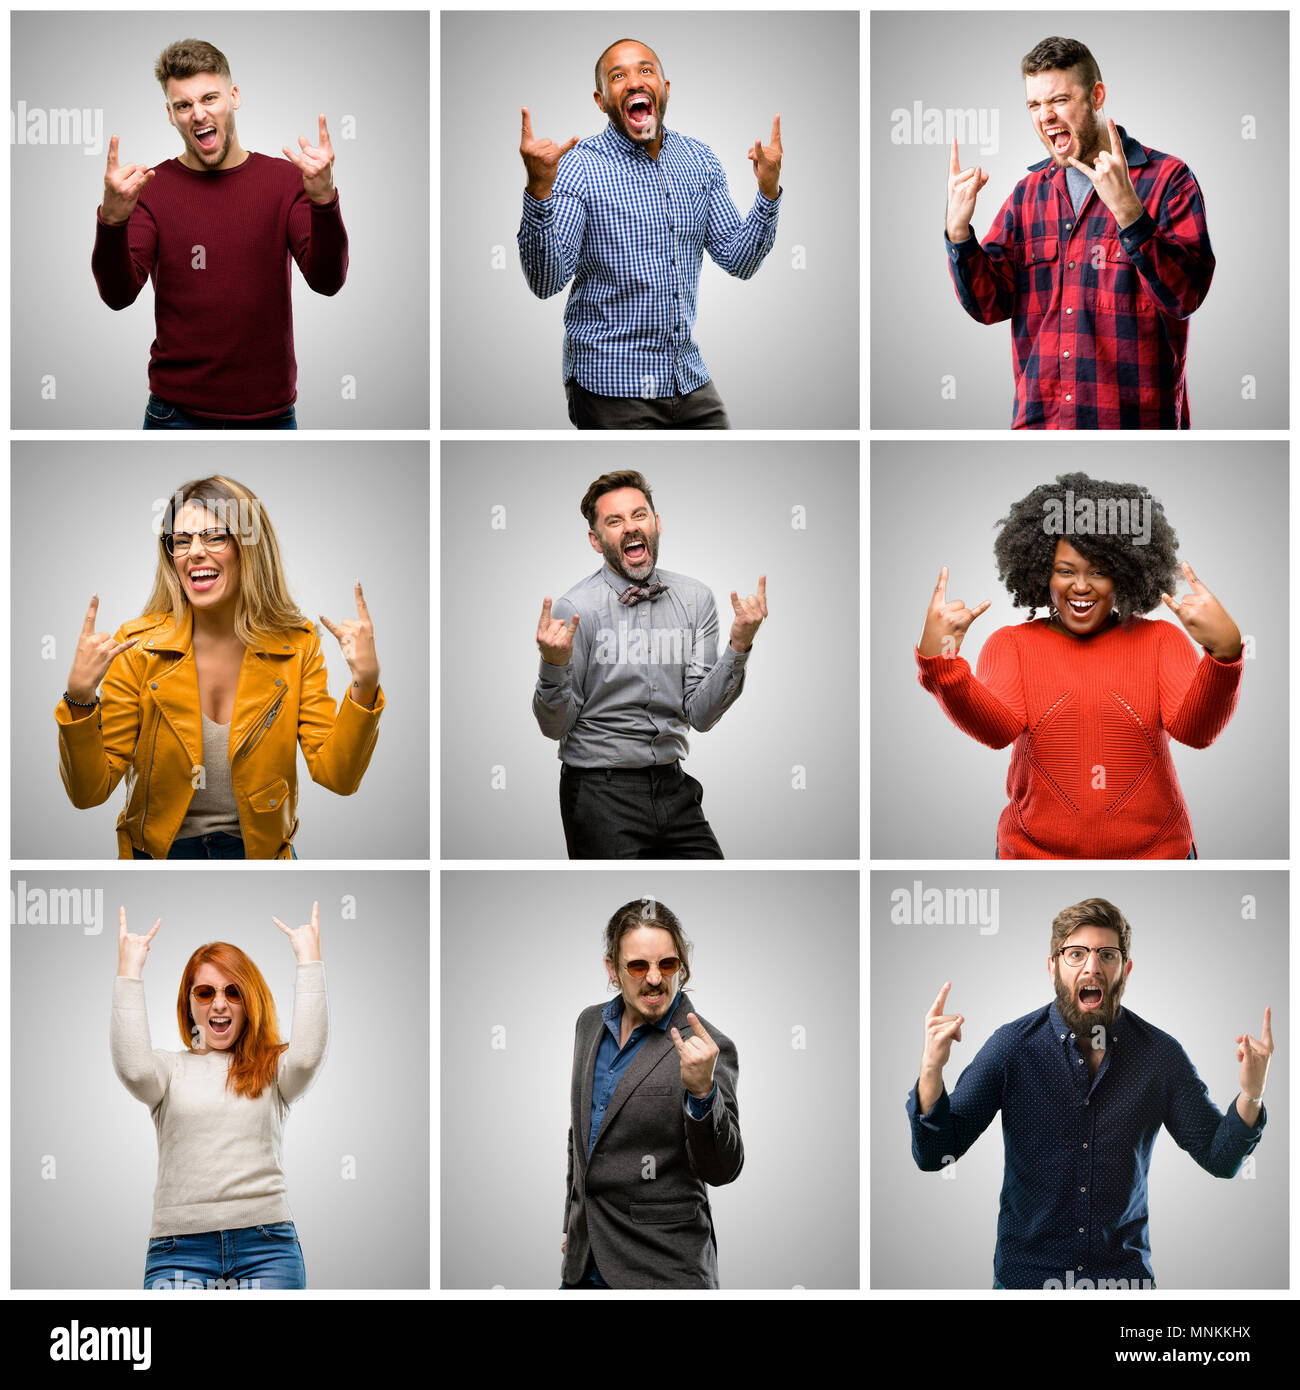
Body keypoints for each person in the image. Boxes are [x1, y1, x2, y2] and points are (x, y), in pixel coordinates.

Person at [907, 898, 1271, 1290]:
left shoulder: (1159, 1055)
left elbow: (1220, 1158)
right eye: (1076, 954)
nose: (1092, 967)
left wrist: (1251, 1093)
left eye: (1107, 955)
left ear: (1125, 970)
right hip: (1025, 1282)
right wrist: (931, 1069)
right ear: (1052, 967)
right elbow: (934, 1153)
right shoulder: (1011, 1047)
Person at [915, 471, 1242, 858]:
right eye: (1065, 571)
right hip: (1031, 858)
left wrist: (1224, 652)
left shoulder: (1160, 640)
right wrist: (941, 663)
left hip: (1159, 856)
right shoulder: (1011, 644)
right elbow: (996, 729)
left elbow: (1196, 732)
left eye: (1099, 572)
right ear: (1040, 572)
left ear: (1124, 574)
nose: (1082, 586)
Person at [55, 474, 384, 859]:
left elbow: (338, 777)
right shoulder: (137, 647)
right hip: (159, 859)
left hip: (260, 857)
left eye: (214, 537)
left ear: (248, 547)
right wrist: (79, 697)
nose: (194, 552)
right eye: (181, 541)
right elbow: (88, 793)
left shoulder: (298, 647)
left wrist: (365, 682)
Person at [945, 36, 1213, 429]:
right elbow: (989, 306)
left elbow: (1185, 296)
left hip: (1134, 430)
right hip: (1041, 427)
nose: (1045, 116)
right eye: (1034, 105)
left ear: (1097, 95)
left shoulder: (1168, 179)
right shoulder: (1027, 195)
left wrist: (1129, 213)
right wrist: (958, 232)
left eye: (1058, 100)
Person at [518, 38, 783, 428]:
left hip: (686, 375)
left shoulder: (700, 160)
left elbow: (739, 261)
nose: (634, 81)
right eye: (618, 75)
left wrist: (767, 192)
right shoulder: (578, 167)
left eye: (645, 71)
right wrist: (539, 189)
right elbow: (545, 282)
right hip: (609, 381)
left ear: (665, 88)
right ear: (601, 99)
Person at [91, 38, 347, 428]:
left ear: (234, 95)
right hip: (173, 415)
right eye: (183, 105)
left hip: (273, 415)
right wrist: (111, 221)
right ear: (171, 114)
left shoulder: (285, 181)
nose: (198, 114)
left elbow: (327, 281)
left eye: (209, 98)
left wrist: (324, 200)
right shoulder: (152, 189)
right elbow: (117, 296)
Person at [532, 469, 767, 858]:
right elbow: (554, 726)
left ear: (656, 523)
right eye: (614, 521)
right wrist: (553, 664)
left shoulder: (696, 599)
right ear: (596, 540)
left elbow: (701, 715)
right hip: (599, 793)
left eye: (639, 515)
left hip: (674, 787)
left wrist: (739, 645)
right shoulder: (575, 609)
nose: (630, 527)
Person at [113, 903, 327, 1290]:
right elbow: (134, 1069)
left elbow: (309, 1057)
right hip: (178, 1251)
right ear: (189, 1003)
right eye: (205, 992)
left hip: (268, 1247)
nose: (219, 1003)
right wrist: (129, 972)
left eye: (233, 992)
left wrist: (309, 961)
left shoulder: (273, 1066)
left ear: (250, 1001)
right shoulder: (168, 1070)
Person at [561, 899, 742, 1289]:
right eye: (639, 965)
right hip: (583, 1263)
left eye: (667, 964)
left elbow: (723, 1169)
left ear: (683, 966)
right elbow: (583, 1135)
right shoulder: (589, 1024)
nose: (655, 978)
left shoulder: (710, 1047)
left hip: (662, 1269)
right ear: (613, 969)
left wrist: (703, 1093)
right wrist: (574, 1223)